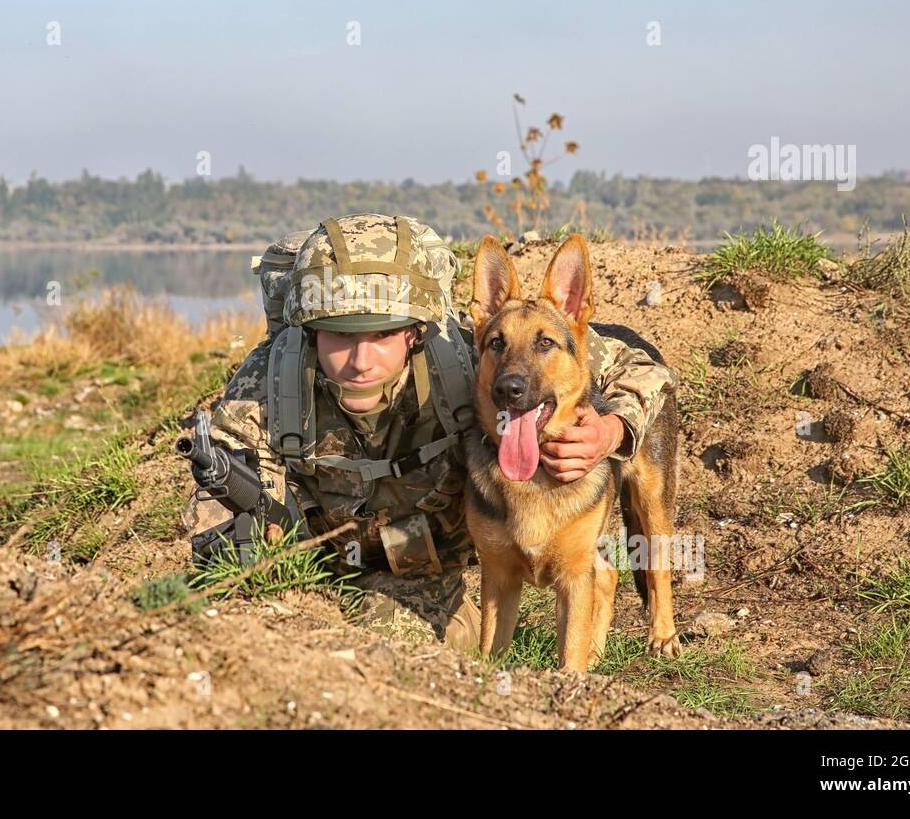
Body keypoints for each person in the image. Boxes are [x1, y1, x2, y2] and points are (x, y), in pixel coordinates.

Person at [181, 213, 676, 653]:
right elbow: (218, 494)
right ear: (310, 331)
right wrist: (246, 542)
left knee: (385, 657)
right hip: (311, 572)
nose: (360, 360)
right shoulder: (270, 383)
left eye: (381, 334)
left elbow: (642, 365)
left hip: (423, 579)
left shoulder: (466, 358)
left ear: (415, 331)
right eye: (340, 334)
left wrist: (611, 430)